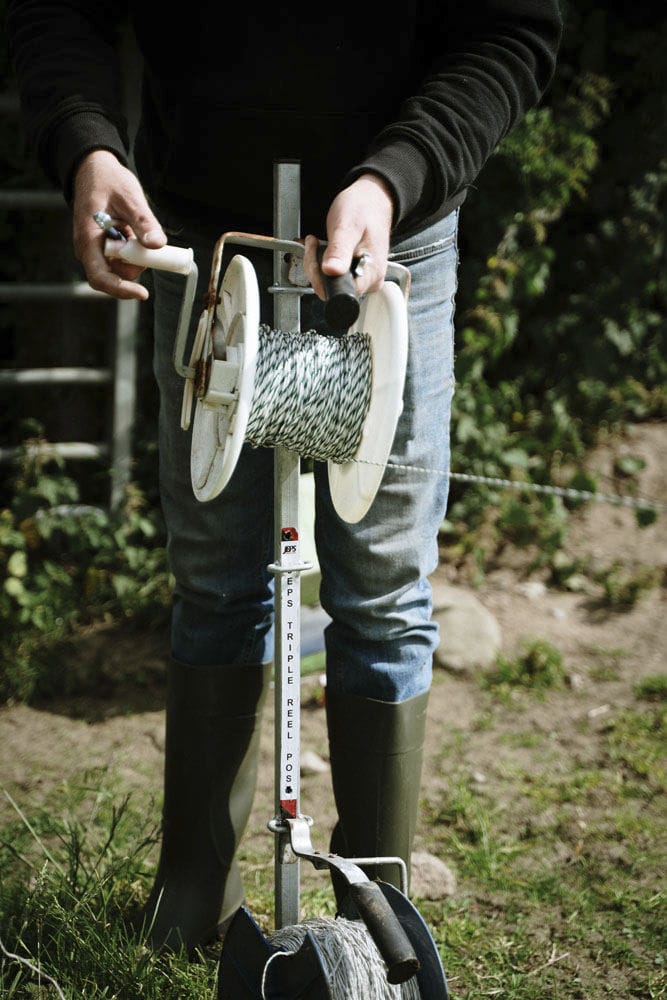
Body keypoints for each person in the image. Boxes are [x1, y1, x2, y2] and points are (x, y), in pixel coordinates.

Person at [7, 0, 563, 960]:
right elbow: (57, 9)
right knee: (214, 579)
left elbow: (512, 29)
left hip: (391, 238)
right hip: (200, 238)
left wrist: (393, 177)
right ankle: (193, 892)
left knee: (383, 590)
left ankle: (377, 915)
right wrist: (85, 140)